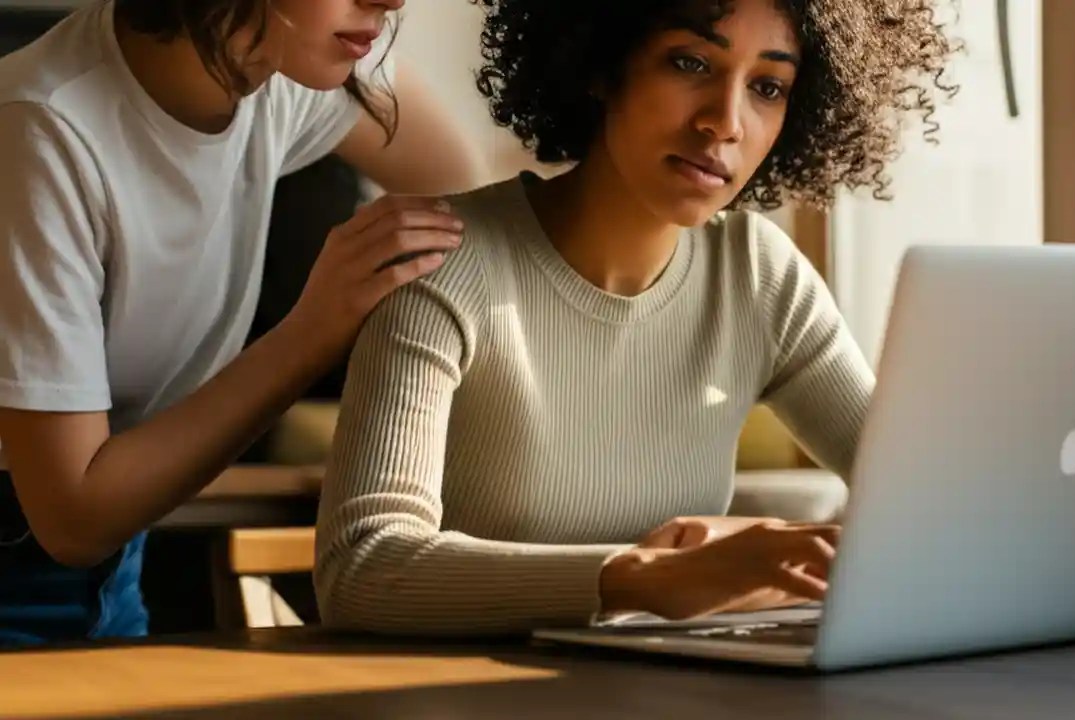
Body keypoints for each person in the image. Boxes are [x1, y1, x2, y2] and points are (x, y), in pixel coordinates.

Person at [316, 0, 957, 636]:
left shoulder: (757, 275)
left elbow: (932, 507)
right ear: (602, 63)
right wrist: (649, 576)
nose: (724, 122)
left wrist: (741, 548)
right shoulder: (445, 262)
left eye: (768, 86)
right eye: (690, 63)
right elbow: (361, 569)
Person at [0, 0, 480, 646]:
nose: (391, 1)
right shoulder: (43, 132)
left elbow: (465, 190)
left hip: (116, 576)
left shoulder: (275, 64)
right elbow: (72, 519)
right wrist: (311, 334)